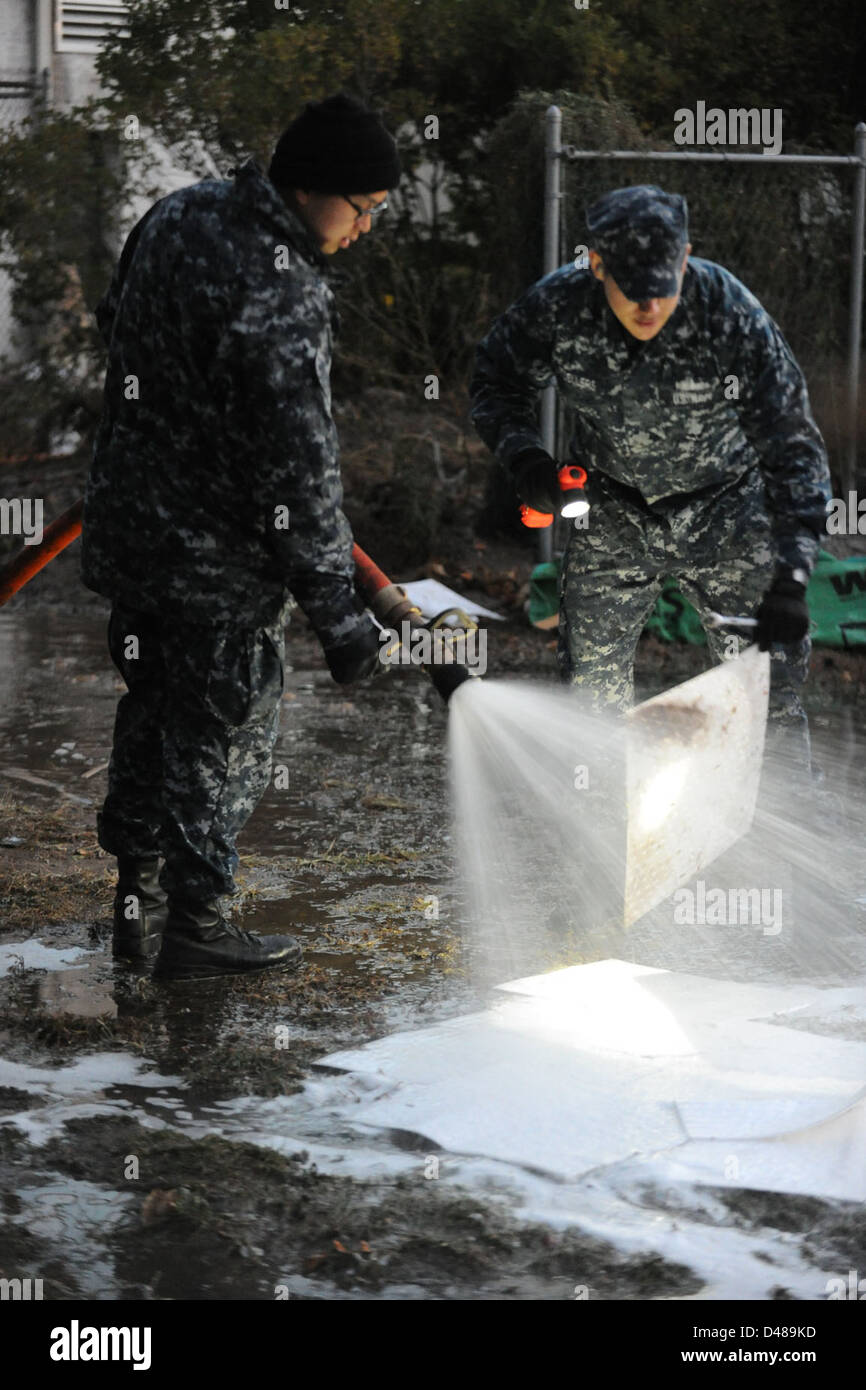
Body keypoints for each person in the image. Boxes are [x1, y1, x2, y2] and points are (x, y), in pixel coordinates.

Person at [81, 93, 401, 980]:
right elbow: (297, 466)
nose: (366, 228)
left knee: (152, 716)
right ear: (308, 190)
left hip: (134, 541)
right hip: (216, 567)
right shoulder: (281, 286)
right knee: (219, 740)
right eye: (363, 207)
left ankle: (137, 906)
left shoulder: (176, 214)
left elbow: (115, 329)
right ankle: (198, 924)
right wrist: (339, 614)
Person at [470, 185, 832, 782]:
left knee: (768, 691)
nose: (649, 307)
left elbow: (793, 445)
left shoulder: (729, 313)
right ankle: (600, 823)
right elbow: (495, 381)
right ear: (596, 265)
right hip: (610, 508)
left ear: (685, 259)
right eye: (632, 290)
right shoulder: (558, 307)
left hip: (729, 509)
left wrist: (793, 577)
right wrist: (528, 462)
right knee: (590, 696)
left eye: (662, 289)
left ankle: (777, 820)